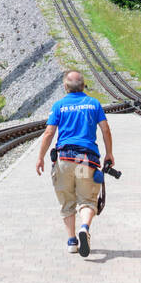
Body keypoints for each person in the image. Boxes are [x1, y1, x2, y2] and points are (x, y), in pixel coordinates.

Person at [36, 70, 112, 258]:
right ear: (84, 86)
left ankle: (71, 241)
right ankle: (84, 228)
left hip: (64, 160)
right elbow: (105, 129)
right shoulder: (94, 104)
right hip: (86, 161)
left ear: (65, 87)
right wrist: (109, 153)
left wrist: (40, 157)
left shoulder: (59, 105)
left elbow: (49, 133)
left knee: (67, 202)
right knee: (87, 200)